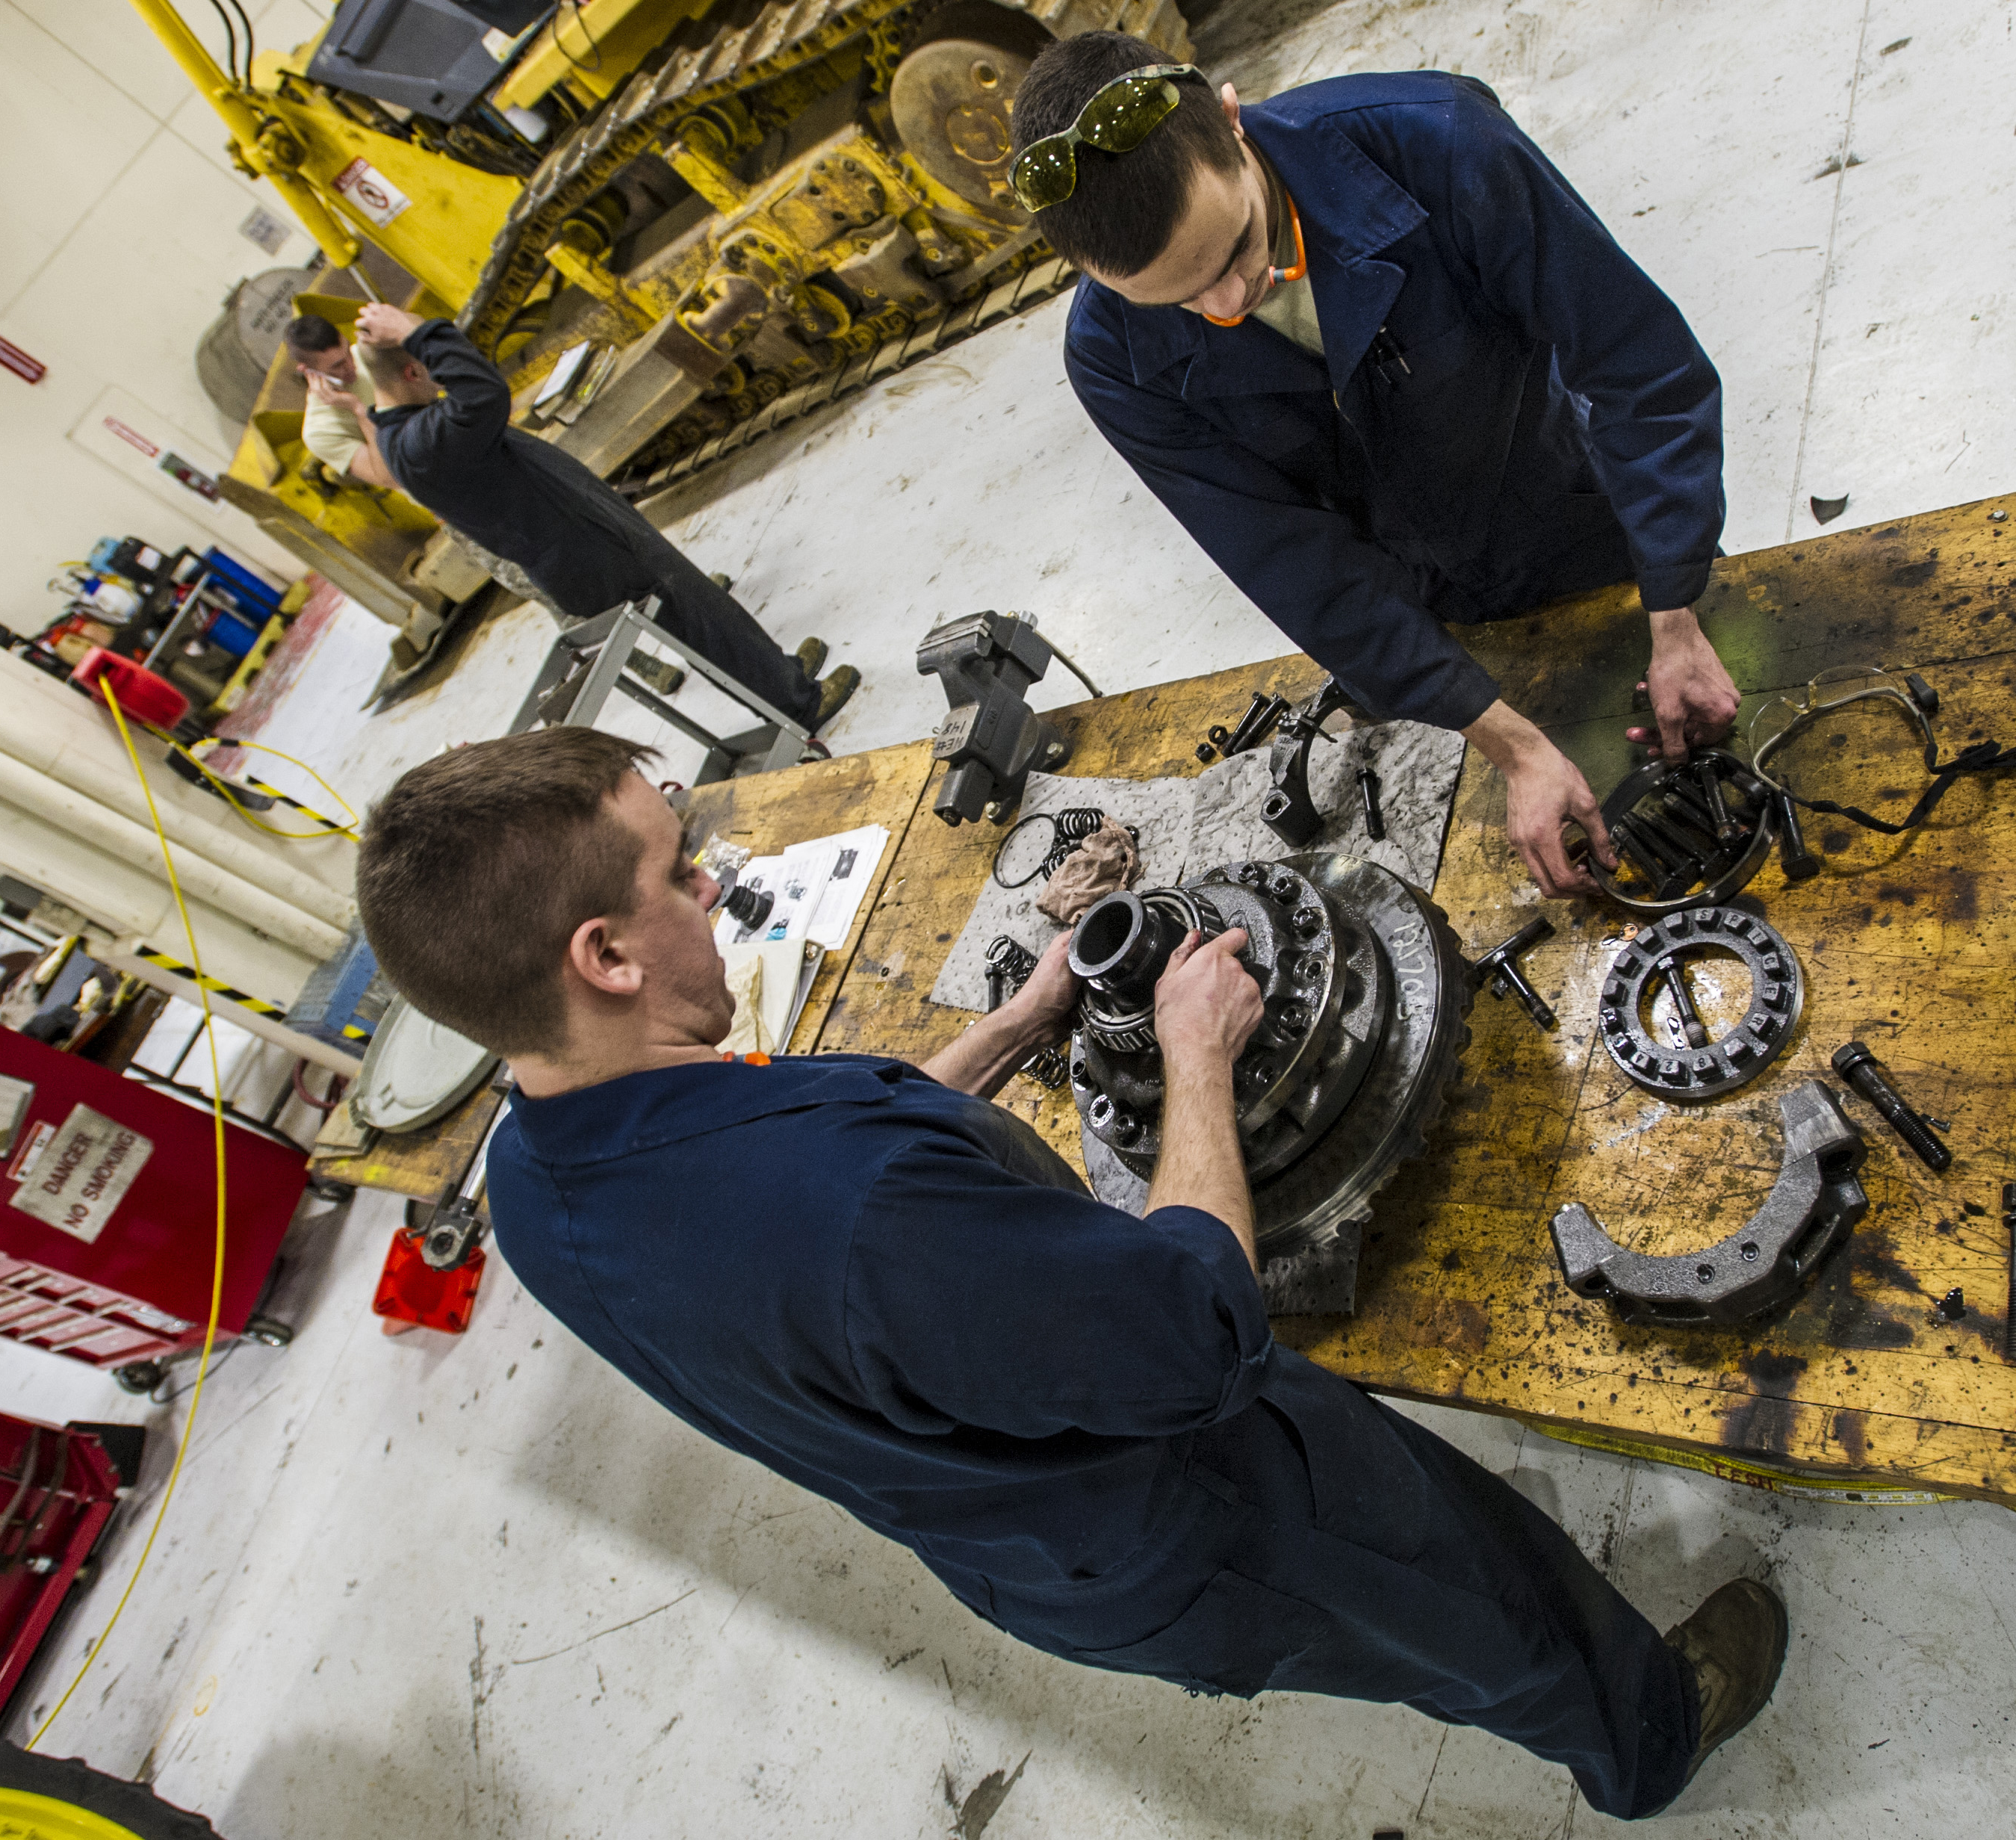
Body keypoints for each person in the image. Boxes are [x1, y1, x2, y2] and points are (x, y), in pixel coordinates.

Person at [353, 727, 1789, 1821]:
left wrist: (1031, 1011)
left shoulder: (535, 1174)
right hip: (1205, 1504)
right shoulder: (861, 1222)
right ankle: (1648, 1732)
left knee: (1443, 1596)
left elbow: (842, 1139)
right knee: (1487, 1601)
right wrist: (1195, 1057)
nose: (715, 885)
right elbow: (1195, 1327)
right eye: (679, 874)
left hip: (1025, 1532)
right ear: (602, 953)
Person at [1014, 38, 1740, 897]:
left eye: (1238, 250)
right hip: (1416, 608)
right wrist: (1506, 741)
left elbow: (1636, 367)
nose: (1226, 304)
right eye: (1178, 301)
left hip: (1573, 518)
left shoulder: (1438, 144)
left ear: (1234, 122)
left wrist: (1674, 608)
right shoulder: (1107, 354)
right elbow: (1299, 567)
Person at [349, 303, 857, 731]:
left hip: (580, 530)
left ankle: (782, 676)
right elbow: (483, 393)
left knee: (701, 604)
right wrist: (419, 332)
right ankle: (798, 705)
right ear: (414, 370)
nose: (441, 374)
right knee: (697, 620)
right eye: (430, 364)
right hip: (581, 547)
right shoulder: (421, 443)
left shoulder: (406, 428)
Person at [283, 314, 399, 495]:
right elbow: (389, 477)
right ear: (307, 371)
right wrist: (359, 410)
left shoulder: (369, 353)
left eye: (347, 352)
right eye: (337, 366)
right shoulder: (320, 432)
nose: (351, 365)